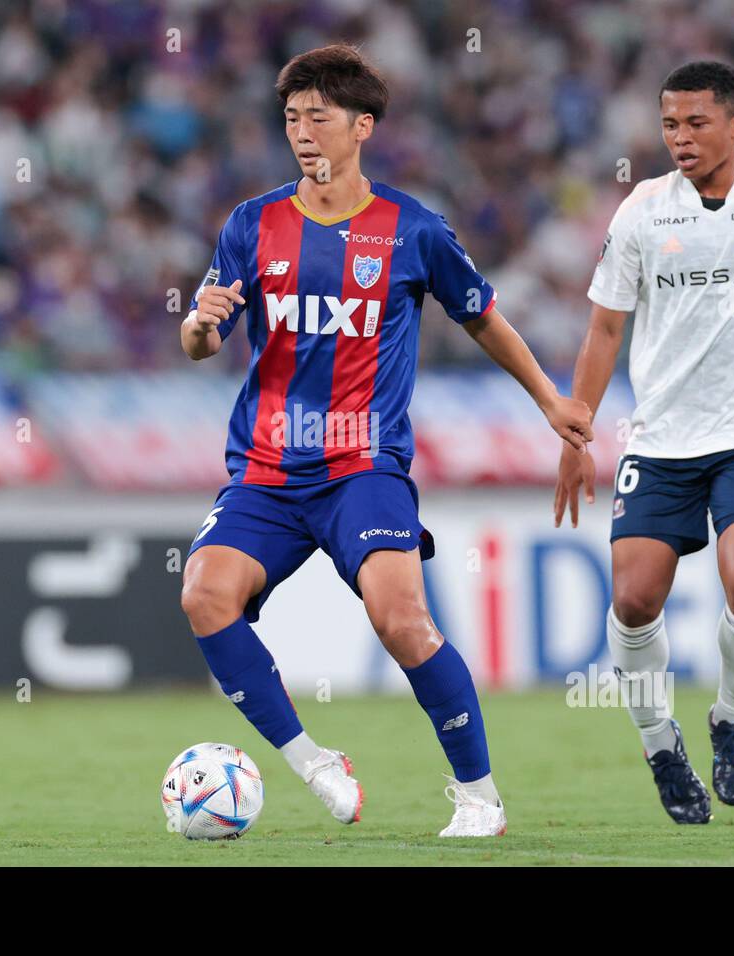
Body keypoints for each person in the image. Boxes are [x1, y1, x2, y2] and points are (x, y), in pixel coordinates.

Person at [179, 44, 592, 837]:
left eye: (319, 117)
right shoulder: (251, 224)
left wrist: (547, 397)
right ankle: (313, 762)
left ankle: (479, 798)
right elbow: (199, 334)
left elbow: (479, 315)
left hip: (364, 464)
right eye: (292, 117)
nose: (302, 131)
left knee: (401, 619)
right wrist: (201, 326)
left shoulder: (412, 229)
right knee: (203, 593)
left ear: (362, 126)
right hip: (265, 469)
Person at [555, 61, 734, 823]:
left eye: (696, 123)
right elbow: (606, 327)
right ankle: (659, 744)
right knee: (634, 598)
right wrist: (577, 429)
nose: (679, 138)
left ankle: (730, 720)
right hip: (662, 441)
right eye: (670, 124)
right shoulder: (643, 210)